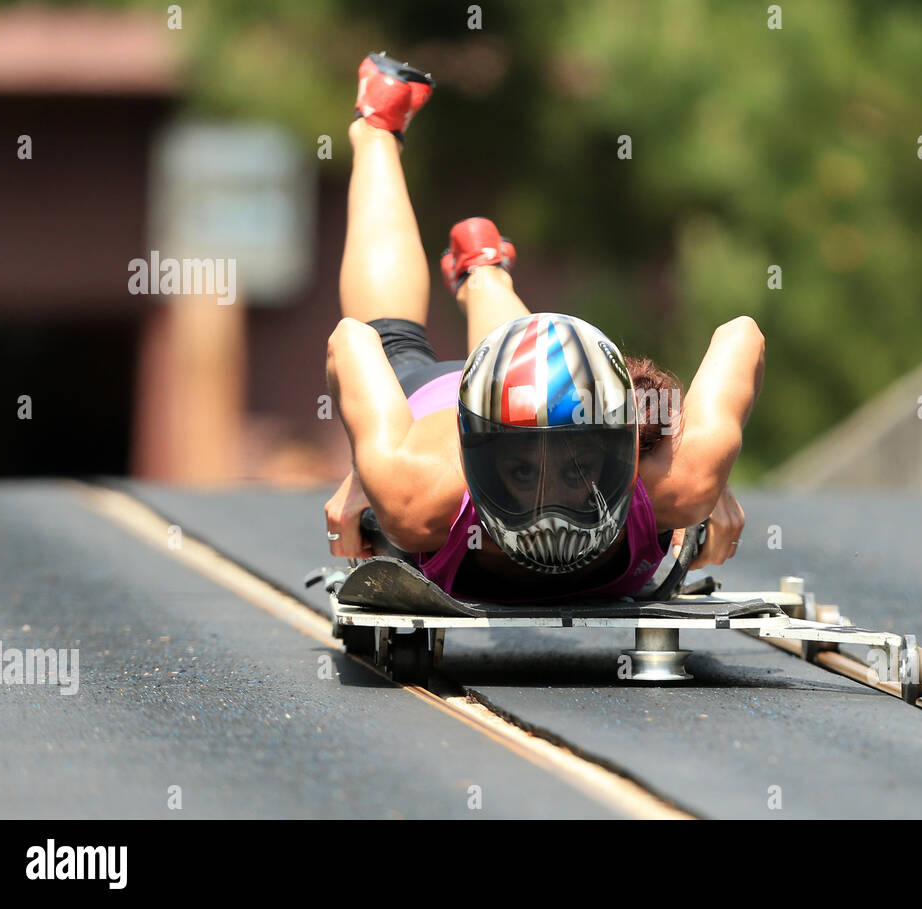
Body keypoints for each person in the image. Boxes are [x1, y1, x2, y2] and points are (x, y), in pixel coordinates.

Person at [324, 52, 764, 601]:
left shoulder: (686, 478)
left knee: (524, 363)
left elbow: (743, 332)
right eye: (522, 474)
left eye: (578, 473)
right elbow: (353, 340)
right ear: (475, 462)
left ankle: (483, 273)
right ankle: (377, 128)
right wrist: (366, 466)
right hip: (430, 413)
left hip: (513, 401)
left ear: (625, 454)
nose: (548, 508)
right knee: (391, 338)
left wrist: (711, 469)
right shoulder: (415, 493)